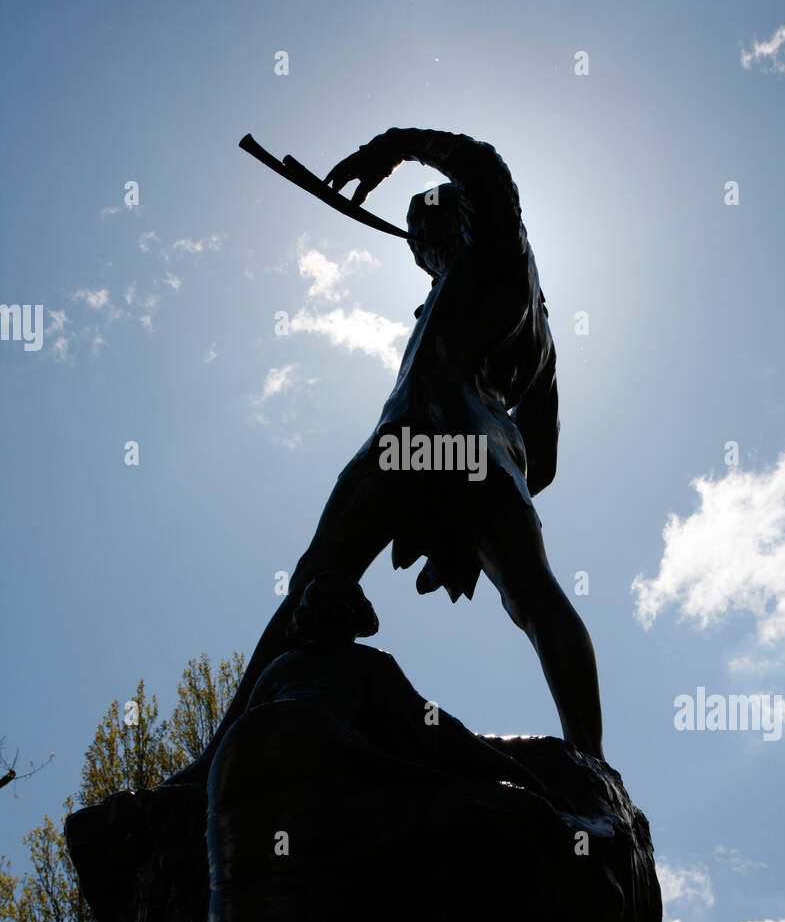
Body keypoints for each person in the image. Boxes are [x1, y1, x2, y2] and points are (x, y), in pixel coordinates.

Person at [191, 128, 604, 773]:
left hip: (414, 438)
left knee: (316, 575)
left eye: (421, 240)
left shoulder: (492, 246)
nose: (423, 258)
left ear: (449, 222)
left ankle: (213, 762)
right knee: (534, 596)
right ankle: (592, 758)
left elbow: (483, 166)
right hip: (489, 460)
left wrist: (395, 144)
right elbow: (543, 461)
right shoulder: (539, 333)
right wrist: (467, 509)